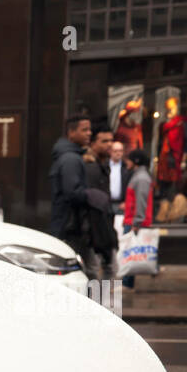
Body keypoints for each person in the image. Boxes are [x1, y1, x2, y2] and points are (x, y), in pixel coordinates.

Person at [50, 115, 92, 260]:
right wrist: (93, 195)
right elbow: (73, 193)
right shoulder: (70, 159)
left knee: (102, 269)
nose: (89, 133)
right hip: (72, 228)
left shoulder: (72, 156)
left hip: (71, 227)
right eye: (84, 130)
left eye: (89, 129)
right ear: (71, 132)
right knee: (105, 270)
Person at [82, 126, 118, 280]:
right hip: (95, 229)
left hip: (103, 227)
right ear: (93, 143)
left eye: (111, 140)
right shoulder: (91, 167)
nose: (109, 144)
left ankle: (103, 303)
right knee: (97, 270)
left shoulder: (103, 166)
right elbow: (93, 202)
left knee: (110, 268)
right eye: (104, 141)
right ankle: (98, 303)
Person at [120, 149, 153, 290]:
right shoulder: (140, 176)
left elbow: (141, 201)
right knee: (130, 252)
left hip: (133, 221)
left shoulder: (141, 178)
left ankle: (127, 284)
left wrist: (136, 222)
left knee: (130, 252)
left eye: (129, 159)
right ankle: (127, 283)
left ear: (136, 162)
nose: (126, 162)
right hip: (132, 220)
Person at [108, 140, 127, 214]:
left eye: (120, 151)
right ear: (110, 151)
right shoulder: (105, 165)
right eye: (115, 151)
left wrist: (126, 202)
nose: (118, 153)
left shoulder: (126, 167)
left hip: (121, 204)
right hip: (107, 203)